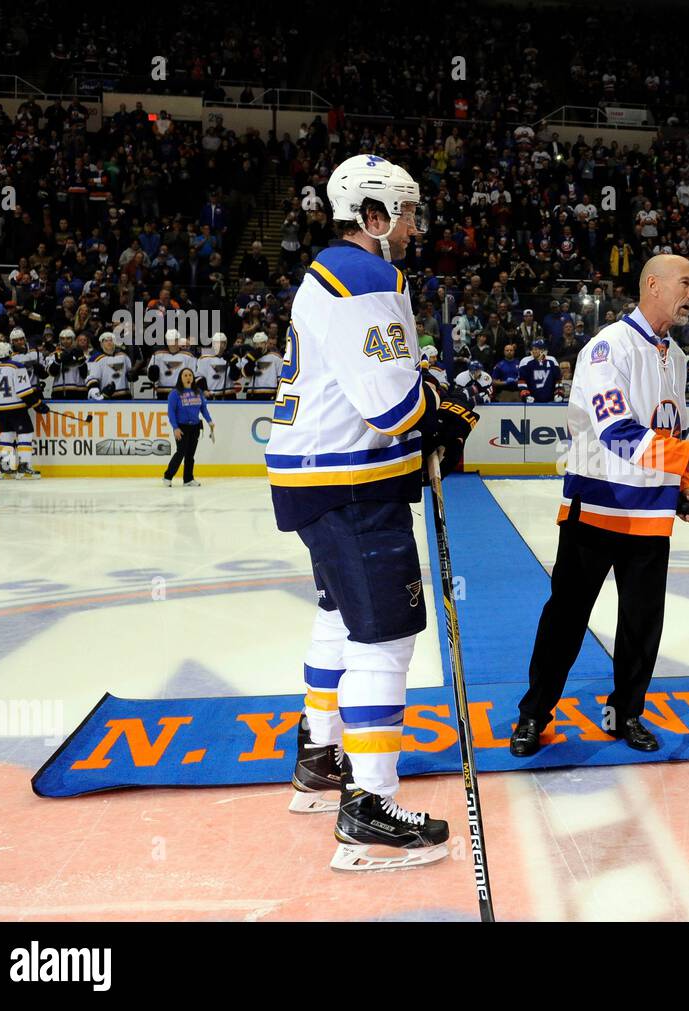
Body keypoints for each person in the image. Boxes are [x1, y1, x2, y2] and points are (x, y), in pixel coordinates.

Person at [266, 154, 477, 872]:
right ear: (375, 219)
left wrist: (429, 400)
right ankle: (369, 808)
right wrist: (443, 411)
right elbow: (391, 407)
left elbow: (389, 381)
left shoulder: (330, 272)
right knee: (384, 635)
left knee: (338, 614)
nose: (417, 228)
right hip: (351, 483)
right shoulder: (363, 277)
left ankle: (321, 757)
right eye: (408, 214)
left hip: (312, 479)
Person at [509, 255, 689, 758]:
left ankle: (625, 712)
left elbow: (672, 431)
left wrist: (686, 483)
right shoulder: (607, 348)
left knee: (641, 625)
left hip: (652, 515)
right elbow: (616, 434)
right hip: (595, 509)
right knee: (565, 620)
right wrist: (687, 456)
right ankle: (533, 714)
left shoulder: (675, 357)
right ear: (653, 285)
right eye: (687, 283)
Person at [0, 340, 50, 478]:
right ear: (9, 352)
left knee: (6, 435)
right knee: (25, 434)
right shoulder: (16, 366)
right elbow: (24, 392)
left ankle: (5, 467)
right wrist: (38, 404)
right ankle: (24, 466)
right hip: (16, 407)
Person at [163, 368, 213, 487]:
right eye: (185, 375)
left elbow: (203, 408)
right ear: (180, 378)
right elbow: (171, 412)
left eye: (190, 375)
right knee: (180, 453)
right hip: (182, 428)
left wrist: (209, 421)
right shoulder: (175, 393)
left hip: (195, 427)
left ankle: (188, 479)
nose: (188, 377)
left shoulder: (198, 392)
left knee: (190, 454)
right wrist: (175, 428)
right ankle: (167, 476)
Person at [86, 331, 137, 400]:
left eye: (111, 340)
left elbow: (131, 374)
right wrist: (95, 391)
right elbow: (91, 378)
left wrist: (132, 375)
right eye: (106, 341)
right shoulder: (96, 358)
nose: (109, 342)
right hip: (108, 397)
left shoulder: (123, 357)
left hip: (126, 396)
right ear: (101, 344)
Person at [518, 338, 561, 402]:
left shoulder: (552, 360)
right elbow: (521, 381)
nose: (533, 351)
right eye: (532, 349)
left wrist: (559, 394)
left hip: (550, 400)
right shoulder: (525, 362)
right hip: (531, 401)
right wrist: (526, 395)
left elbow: (558, 380)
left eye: (536, 349)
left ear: (543, 350)